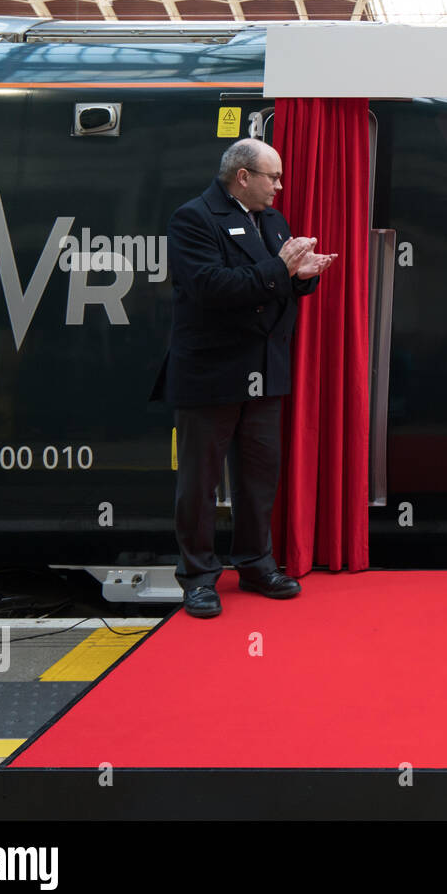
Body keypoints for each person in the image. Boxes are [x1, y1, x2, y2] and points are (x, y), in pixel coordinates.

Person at [150, 138, 337, 618]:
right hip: (210, 371)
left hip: (263, 369)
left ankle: (255, 563)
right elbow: (213, 288)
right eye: (271, 177)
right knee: (200, 483)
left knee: (258, 477)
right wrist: (283, 267)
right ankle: (198, 577)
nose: (279, 186)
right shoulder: (194, 218)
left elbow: (276, 284)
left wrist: (304, 276)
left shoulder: (273, 221)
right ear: (243, 177)